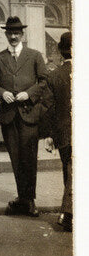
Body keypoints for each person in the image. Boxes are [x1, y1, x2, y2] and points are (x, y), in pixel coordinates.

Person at [0, 15, 48, 217]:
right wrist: (1, 93)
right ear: (6, 34)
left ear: (22, 34)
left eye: (16, 33)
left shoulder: (35, 56)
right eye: (10, 33)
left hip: (29, 114)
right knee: (16, 158)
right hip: (9, 116)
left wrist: (28, 94)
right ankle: (22, 198)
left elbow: (43, 82)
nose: (13, 36)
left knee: (29, 159)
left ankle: (29, 201)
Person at [44, 31, 72, 232]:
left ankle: (70, 214)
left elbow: (49, 108)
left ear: (61, 52)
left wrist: (49, 135)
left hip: (64, 132)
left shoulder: (54, 76)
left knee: (68, 170)